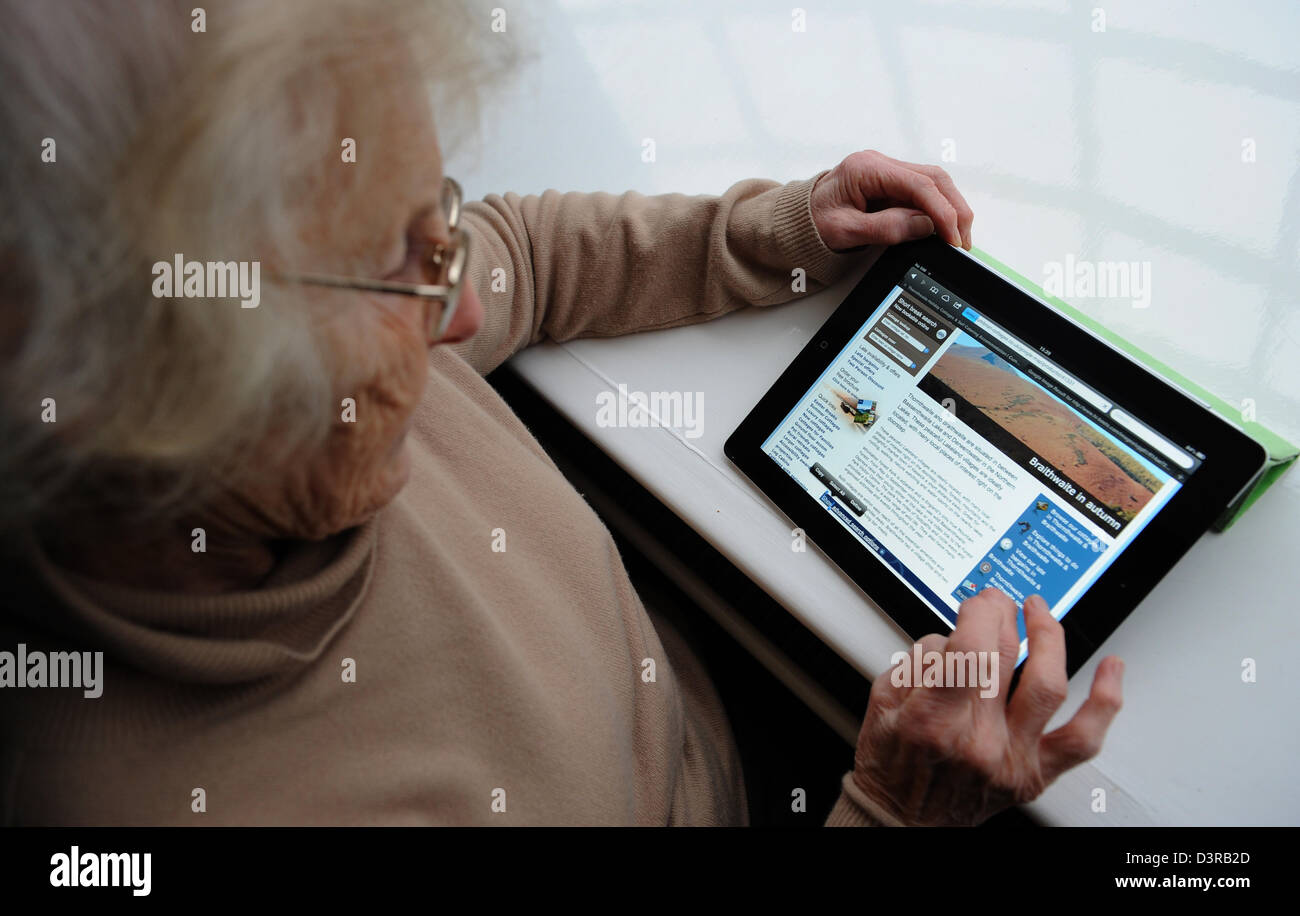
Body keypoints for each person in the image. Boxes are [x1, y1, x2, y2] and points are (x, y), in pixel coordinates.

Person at [0, 0, 1122, 826]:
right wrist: (891, 809)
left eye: (428, 221)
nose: (467, 306)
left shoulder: (284, 341)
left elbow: (518, 252)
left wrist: (781, 232)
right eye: (403, 265)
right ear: (133, 400)